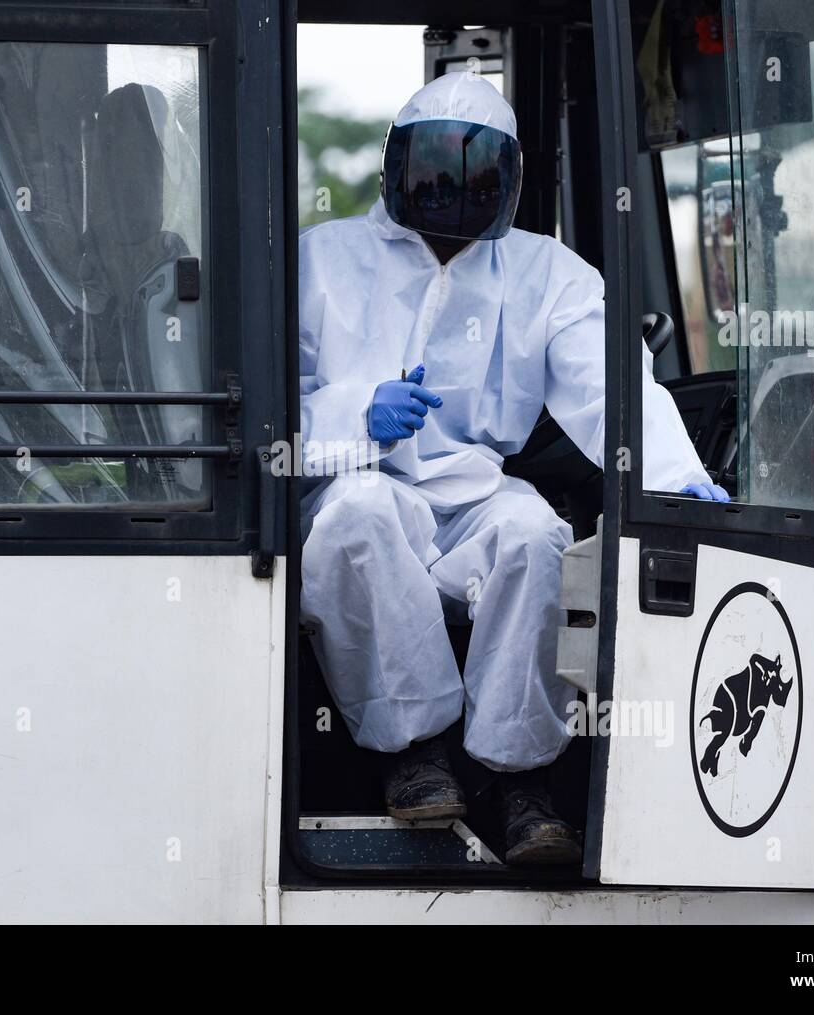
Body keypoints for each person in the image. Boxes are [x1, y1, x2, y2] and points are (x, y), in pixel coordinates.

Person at [298, 72, 728, 866]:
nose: (446, 198)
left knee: (535, 531)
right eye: (430, 174)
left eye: (471, 180)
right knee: (355, 517)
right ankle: (416, 750)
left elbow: (610, 380)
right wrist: (354, 415)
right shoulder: (324, 259)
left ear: (506, 184)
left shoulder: (542, 273)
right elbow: (265, 415)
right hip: (358, 478)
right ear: (396, 168)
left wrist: (672, 476)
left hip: (474, 491)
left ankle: (518, 775)